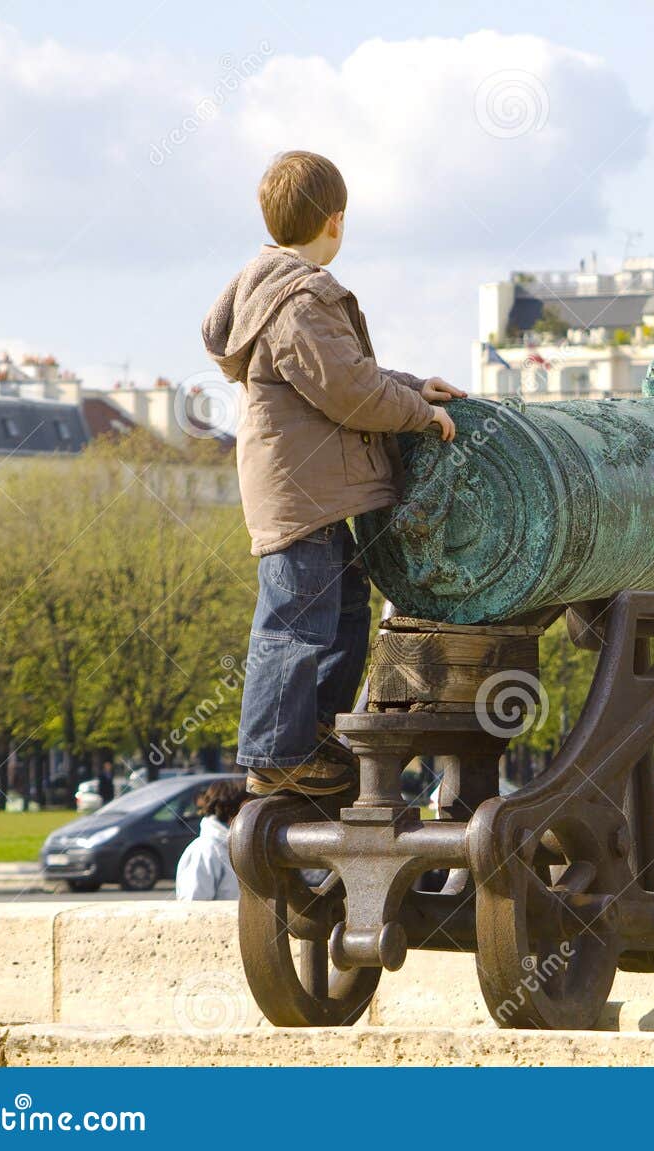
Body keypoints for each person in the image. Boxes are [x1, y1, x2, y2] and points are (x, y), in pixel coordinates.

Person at [203, 151, 465, 799]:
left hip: (307, 492)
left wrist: (410, 384)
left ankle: (314, 730)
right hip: (303, 498)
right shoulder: (298, 298)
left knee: (345, 604)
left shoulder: (276, 292)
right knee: (294, 621)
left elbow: (342, 377)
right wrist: (422, 416)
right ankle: (275, 751)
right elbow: (349, 391)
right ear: (335, 221)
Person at [175, 780, 248, 901]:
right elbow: (194, 906)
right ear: (231, 812)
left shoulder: (238, 848)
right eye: (246, 809)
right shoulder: (205, 850)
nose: (251, 816)